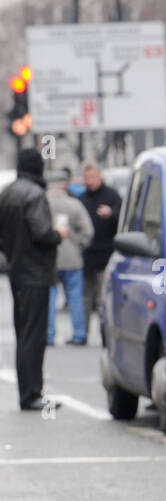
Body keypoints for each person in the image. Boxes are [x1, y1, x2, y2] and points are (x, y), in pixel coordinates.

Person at [0, 149, 67, 411]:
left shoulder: (7, 193)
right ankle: (32, 393)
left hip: (18, 272)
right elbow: (42, 234)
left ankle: (27, 391)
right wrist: (58, 234)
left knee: (23, 333)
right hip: (35, 273)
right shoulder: (34, 195)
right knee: (34, 336)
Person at [46, 168, 93, 346]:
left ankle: (49, 335)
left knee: (50, 298)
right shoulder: (74, 205)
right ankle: (79, 334)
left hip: (50, 257)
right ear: (65, 185)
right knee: (75, 298)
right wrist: (78, 246)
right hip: (73, 259)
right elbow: (88, 232)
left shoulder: (43, 203)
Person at [78, 162, 122, 342]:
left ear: (100, 176)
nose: (90, 181)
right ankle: (82, 333)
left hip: (105, 255)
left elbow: (123, 218)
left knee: (103, 299)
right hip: (86, 256)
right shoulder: (81, 199)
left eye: (93, 177)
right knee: (84, 299)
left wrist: (112, 213)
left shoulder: (111, 195)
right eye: (87, 177)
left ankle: (106, 335)